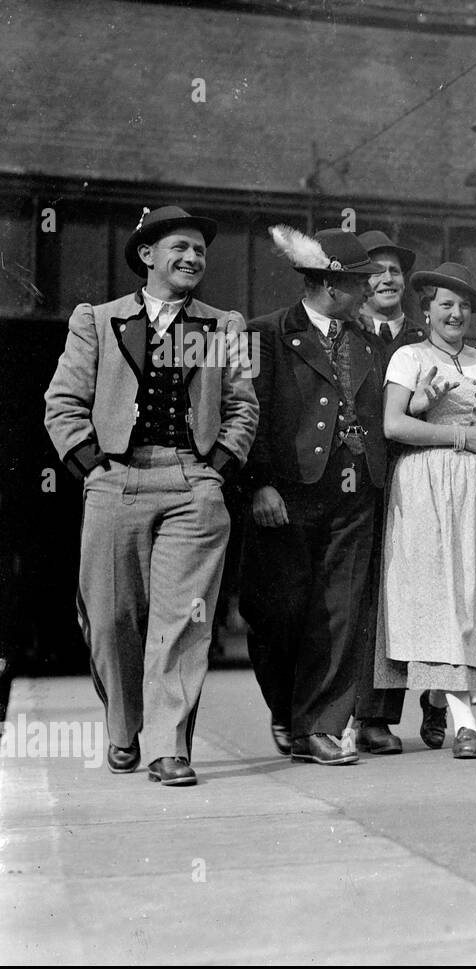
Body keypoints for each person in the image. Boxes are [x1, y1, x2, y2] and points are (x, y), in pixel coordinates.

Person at [43, 205, 258, 786]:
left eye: (200, 250)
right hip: (116, 479)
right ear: (147, 256)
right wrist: (93, 468)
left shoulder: (220, 327)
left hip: (192, 485)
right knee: (112, 617)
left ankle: (168, 747)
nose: (193, 258)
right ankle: (123, 724)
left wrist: (215, 469)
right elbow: (61, 402)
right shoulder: (97, 319)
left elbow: (242, 406)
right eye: (179, 248)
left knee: (183, 619)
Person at [238, 227, 387, 766]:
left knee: (342, 612)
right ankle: (288, 709)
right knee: (277, 613)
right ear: (328, 283)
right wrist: (259, 484)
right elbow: (247, 415)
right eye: (357, 283)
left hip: (356, 490)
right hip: (288, 494)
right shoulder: (265, 334)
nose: (368, 291)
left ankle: (318, 727)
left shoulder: (368, 339)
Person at [373, 263, 476, 759]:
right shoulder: (409, 356)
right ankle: (464, 720)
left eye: (463, 306)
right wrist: (453, 431)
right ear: (427, 310)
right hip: (429, 484)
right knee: (443, 595)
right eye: (445, 304)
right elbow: (393, 425)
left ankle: (441, 698)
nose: (455, 313)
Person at [350, 229, 426, 755]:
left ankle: (386, 714)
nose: (386, 279)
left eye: (395, 271)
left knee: (401, 598)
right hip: (354, 484)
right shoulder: (345, 333)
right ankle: (338, 710)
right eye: (375, 271)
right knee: (354, 598)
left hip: (416, 482)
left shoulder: (427, 339)